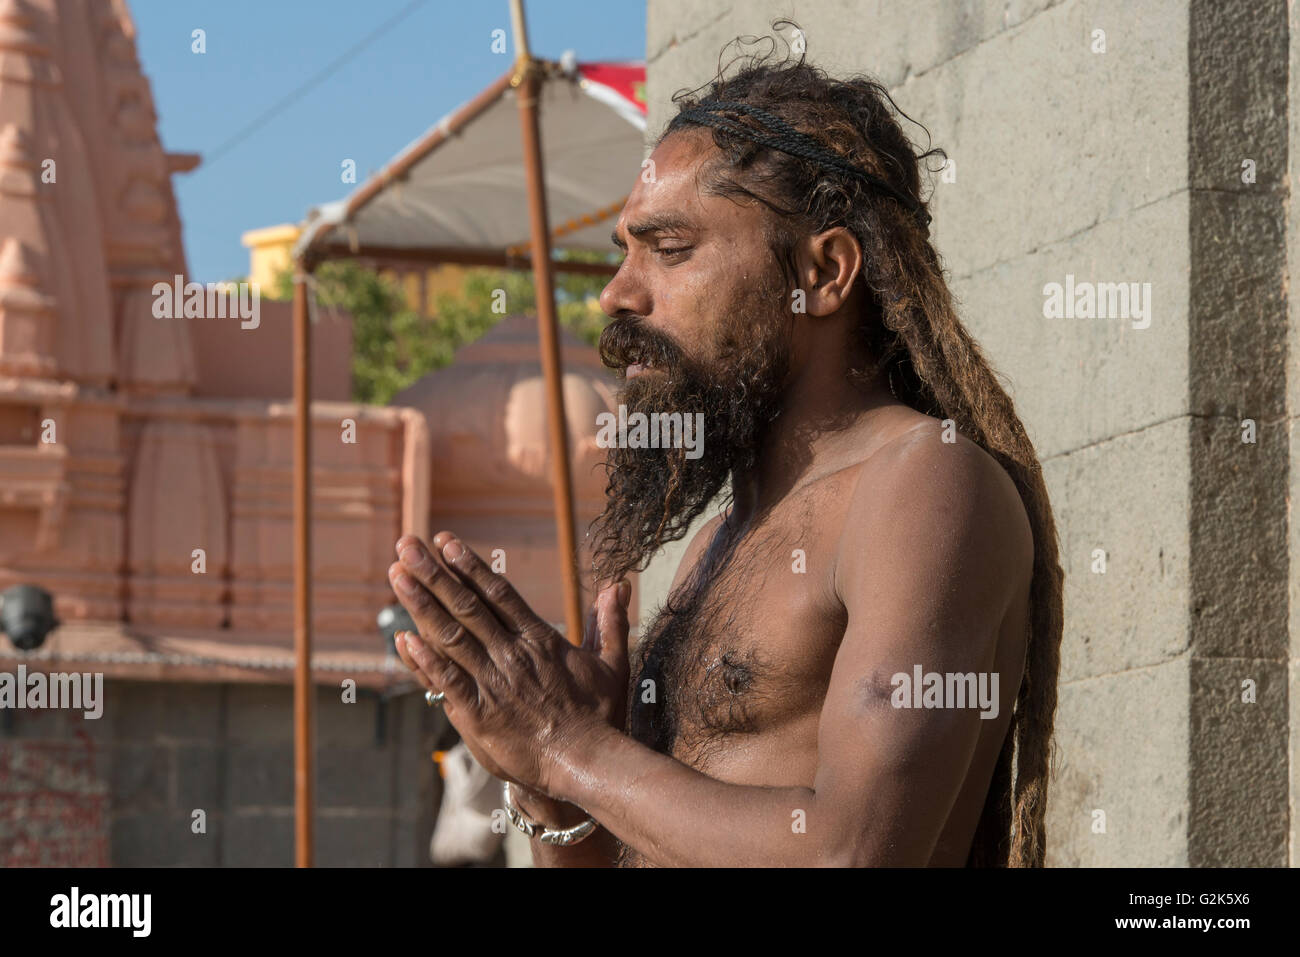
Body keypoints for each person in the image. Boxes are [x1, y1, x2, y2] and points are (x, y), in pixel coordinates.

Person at [389, 32, 1064, 867]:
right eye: (623, 254)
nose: (615, 294)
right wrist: (548, 784)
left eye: (669, 251)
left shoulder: (924, 484)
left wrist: (575, 749)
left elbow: (852, 852)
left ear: (823, 274)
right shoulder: (720, 541)